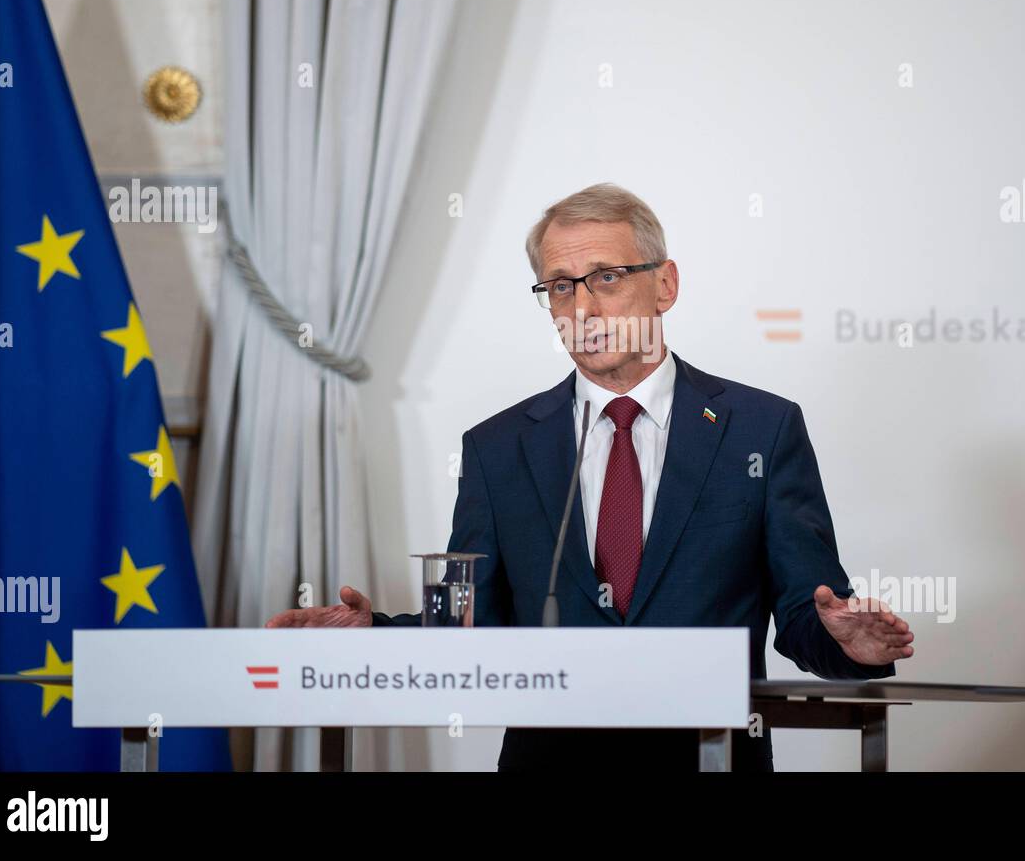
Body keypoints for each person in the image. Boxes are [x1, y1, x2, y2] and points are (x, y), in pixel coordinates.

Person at [266, 183, 915, 770]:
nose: (581, 305)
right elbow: (476, 624)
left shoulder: (760, 430)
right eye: (560, 285)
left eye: (606, 277)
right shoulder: (500, 448)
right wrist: (374, 632)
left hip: (709, 758)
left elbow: (809, 616)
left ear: (664, 285)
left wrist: (850, 642)